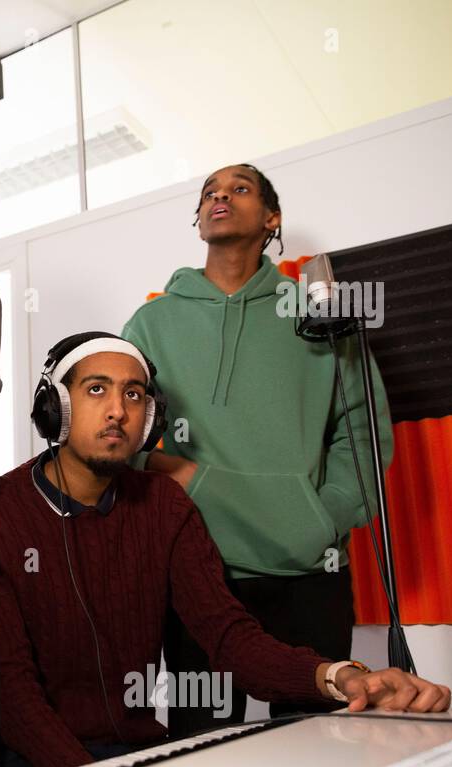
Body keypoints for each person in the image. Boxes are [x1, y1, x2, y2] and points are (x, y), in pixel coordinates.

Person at [0, 333, 449, 767]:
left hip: (139, 757)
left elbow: (230, 639)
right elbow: (15, 696)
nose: (118, 411)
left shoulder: (164, 505)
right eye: (96, 389)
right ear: (54, 407)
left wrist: (341, 676)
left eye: (135, 395)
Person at [122, 163, 394, 736]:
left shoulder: (318, 316)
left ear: (271, 219)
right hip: (199, 572)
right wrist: (178, 472)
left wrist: (324, 516)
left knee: (319, 742)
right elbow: (122, 431)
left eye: (239, 188)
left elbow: (363, 433)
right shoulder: (151, 323)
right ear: (199, 219)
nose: (220, 196)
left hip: (309, 570)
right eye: (209, 193)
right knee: (202, 749)